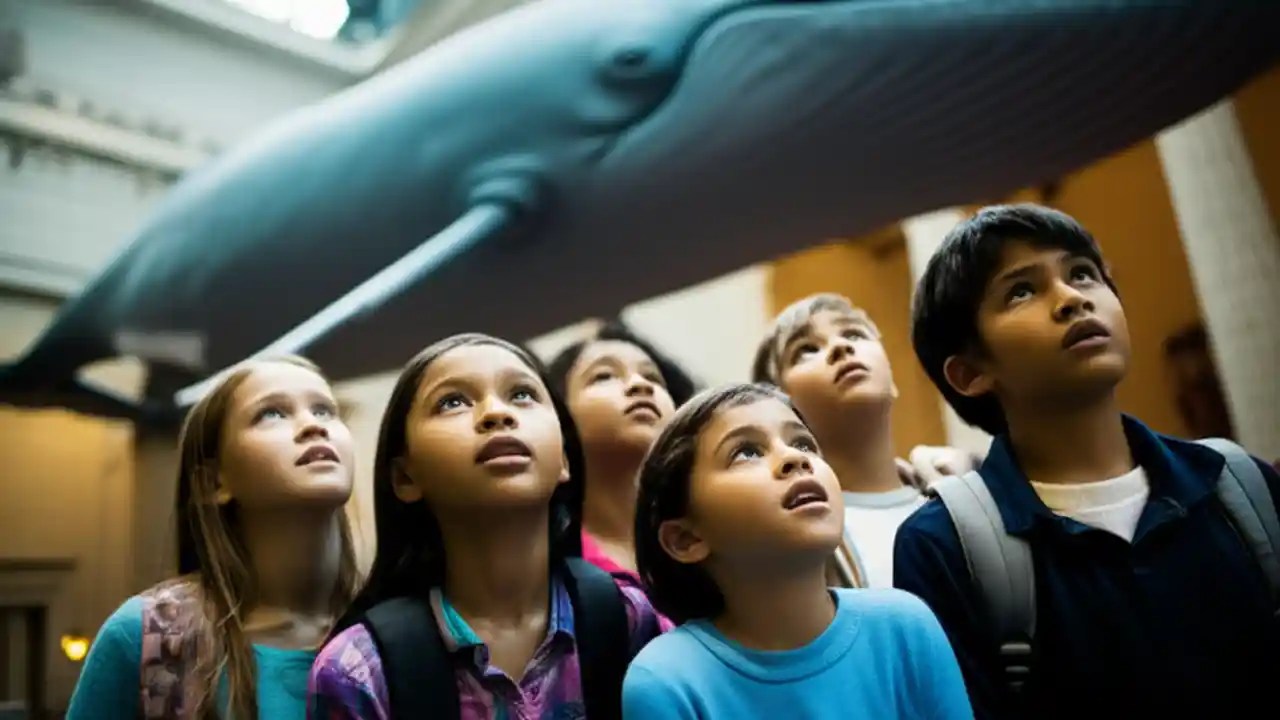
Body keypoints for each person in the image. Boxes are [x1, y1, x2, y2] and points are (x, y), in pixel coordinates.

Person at [896, 203, 1280, 719]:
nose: (1072, 298)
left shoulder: (1240, 487)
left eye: (1082, 273)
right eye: (1021, 291)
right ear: (970, 373)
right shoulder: (944, 547)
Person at [307, 333, 664, 719]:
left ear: (564, 459)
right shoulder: (358, 671)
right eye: (452, 402)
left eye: (522, 394)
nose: (497, 413)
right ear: (404, 477)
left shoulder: (629, 618)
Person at [623, 383, 973, 719]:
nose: (795, 458)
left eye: (804, 444)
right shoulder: (667, 681)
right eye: (746, 452)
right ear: (686, 539)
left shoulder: (905, 627)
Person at [68, 356, 360, 719]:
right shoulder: (149, 639)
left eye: (324, 410)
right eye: (271, 413)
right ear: (213, 482)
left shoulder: (389, 635)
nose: (313, 426)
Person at [752, 293, 980, 587]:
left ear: (892, 378)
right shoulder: (800, 543)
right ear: (780, 408)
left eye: (854, 334)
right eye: (806, 350)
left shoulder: (965, 487)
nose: (840, 347)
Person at [548, 319, 696, 586]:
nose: (641, 385)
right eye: (604, 376)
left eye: (653, 378)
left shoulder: (715, 543)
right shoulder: (549, 567)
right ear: (557, 415)